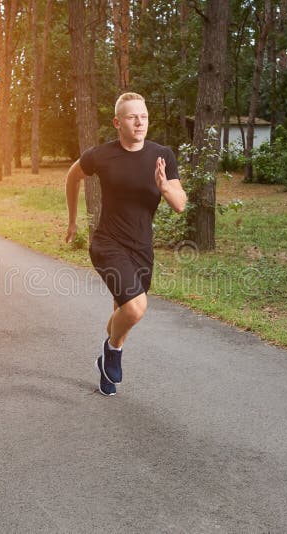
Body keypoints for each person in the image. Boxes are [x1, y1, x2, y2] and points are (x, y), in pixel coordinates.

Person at [65, 92, 187, 396]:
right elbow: (72, 176)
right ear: (118, 122)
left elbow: (181, 204)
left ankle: (105, 365)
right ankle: (113, 352)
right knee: (135, 308)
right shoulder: (101, 155)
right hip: (108, 243)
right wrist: (72, 220)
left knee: (123, 310)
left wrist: (164, 188)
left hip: (142, 248)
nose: (140, 122)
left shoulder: (162, 156)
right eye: (132, 117)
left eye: (143, 116)